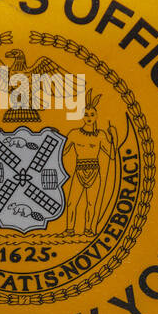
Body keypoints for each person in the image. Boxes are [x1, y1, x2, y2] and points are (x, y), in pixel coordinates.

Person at [62, 92, 115, 235]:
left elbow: (111, 155)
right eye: (86, 114)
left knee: (91, 203)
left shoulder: (101, 136)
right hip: (79, 171)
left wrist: (113, 137)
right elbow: (62, 152)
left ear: (96, 116)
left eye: (92, 114)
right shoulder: (74, 134)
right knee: (72, 202)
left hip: (94, 173)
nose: (89, 117)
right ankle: (70, 229)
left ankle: (89, 229)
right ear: (82, 116)